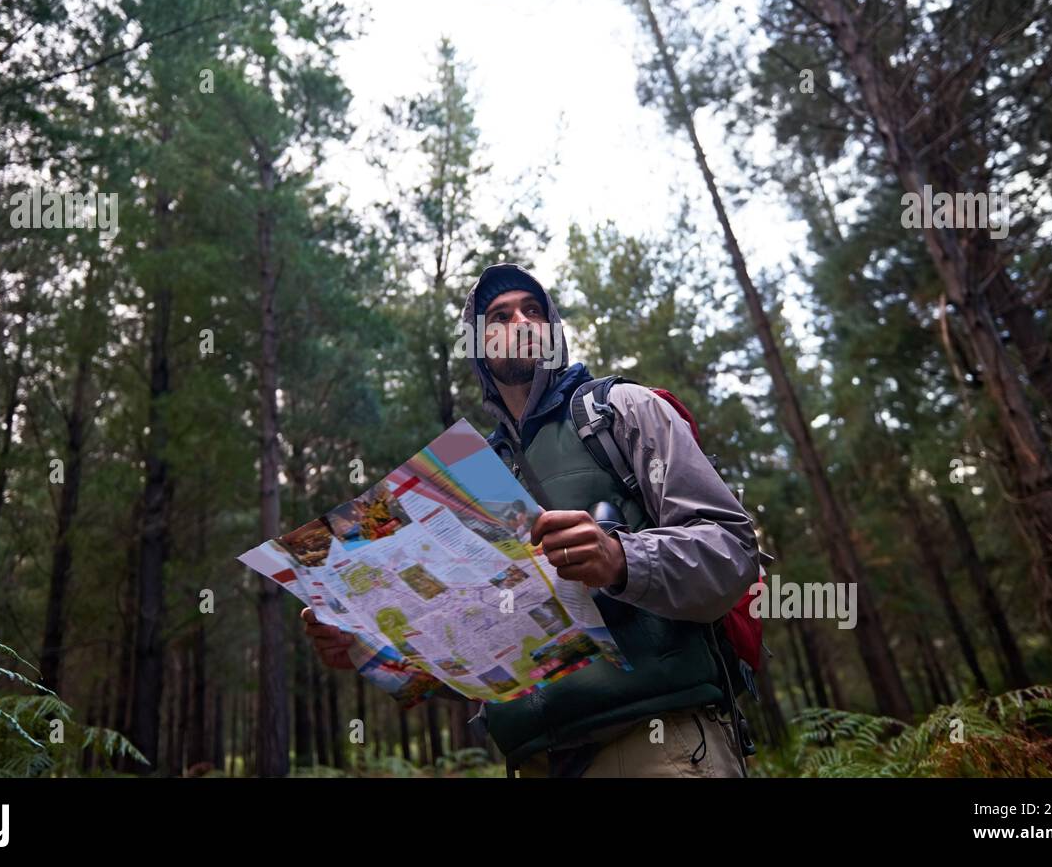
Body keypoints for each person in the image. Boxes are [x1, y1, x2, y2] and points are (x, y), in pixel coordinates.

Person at [303, 262, 759, 777]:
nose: (520, 321)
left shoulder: (621, 411)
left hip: (660, 744)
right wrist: (372, 648)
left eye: (533, 310)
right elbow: (477, 646)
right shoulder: (470, 478)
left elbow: (732, 549)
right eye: (499, 316)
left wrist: (621, 558)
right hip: (535, 761)